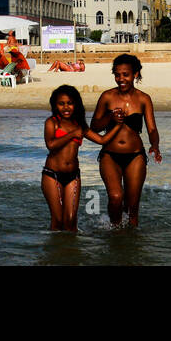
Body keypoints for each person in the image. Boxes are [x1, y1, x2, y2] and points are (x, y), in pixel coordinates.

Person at [90, 54, 162, 228]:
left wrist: (155, 145)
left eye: (125, 74)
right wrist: (110, 116)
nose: (121, 79)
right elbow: (94, 127)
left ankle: (132, 246)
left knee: (132, 206)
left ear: (135, 74)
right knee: (115, 197)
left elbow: (152, 128)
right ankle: (115, 235)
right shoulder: (107, 97)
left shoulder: (144, 99)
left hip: (135, 156)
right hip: (109, 155)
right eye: (117, 75)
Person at [43, 85, 127, 232]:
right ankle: (55, 253)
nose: (66, 107)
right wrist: (72, 134)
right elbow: (51, 145)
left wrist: (117, 125)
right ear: (55, 106)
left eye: (70, 103)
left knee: (70, 221)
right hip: (52, 175)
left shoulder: (79, 125)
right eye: (61, 104)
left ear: (76, 104)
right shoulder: (52, 123)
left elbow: (102, 140)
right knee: (57, 220)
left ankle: (72, 252)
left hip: (73, 176)